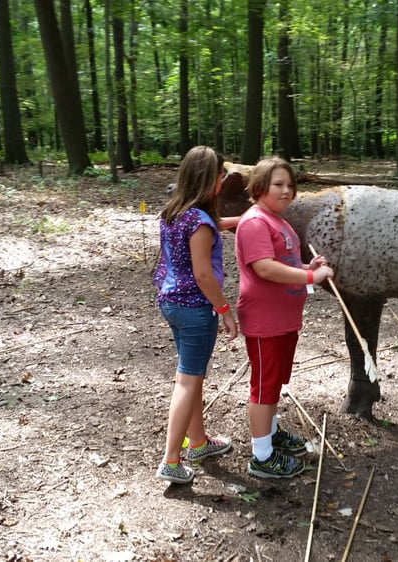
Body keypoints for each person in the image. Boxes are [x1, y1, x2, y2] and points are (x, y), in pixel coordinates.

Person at [234, 157, 334, 479]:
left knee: (275, 382)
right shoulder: (255, 222)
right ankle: (261, 457)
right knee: (264, 387)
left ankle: (272, 433)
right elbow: (264, 267)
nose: (286, 190)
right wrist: (311, 278)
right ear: (260, 186)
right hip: (265, 321)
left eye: (290, 185)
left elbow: (284, 264)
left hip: (283, 320)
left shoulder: (278, 222)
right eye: (278, 184)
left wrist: (307, 267)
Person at [153, 146, 238, 484]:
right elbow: (203, 275)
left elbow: (212, 226)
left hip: (171, 303)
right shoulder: (200, 223)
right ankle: (171, 460)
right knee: (187, 382)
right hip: (194, 309)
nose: (222, 181)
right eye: (220, 176)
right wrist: (225, 310)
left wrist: (245, 219)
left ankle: (198, 443)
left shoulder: (174, 212)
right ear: (209, 179)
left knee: (192, 376)